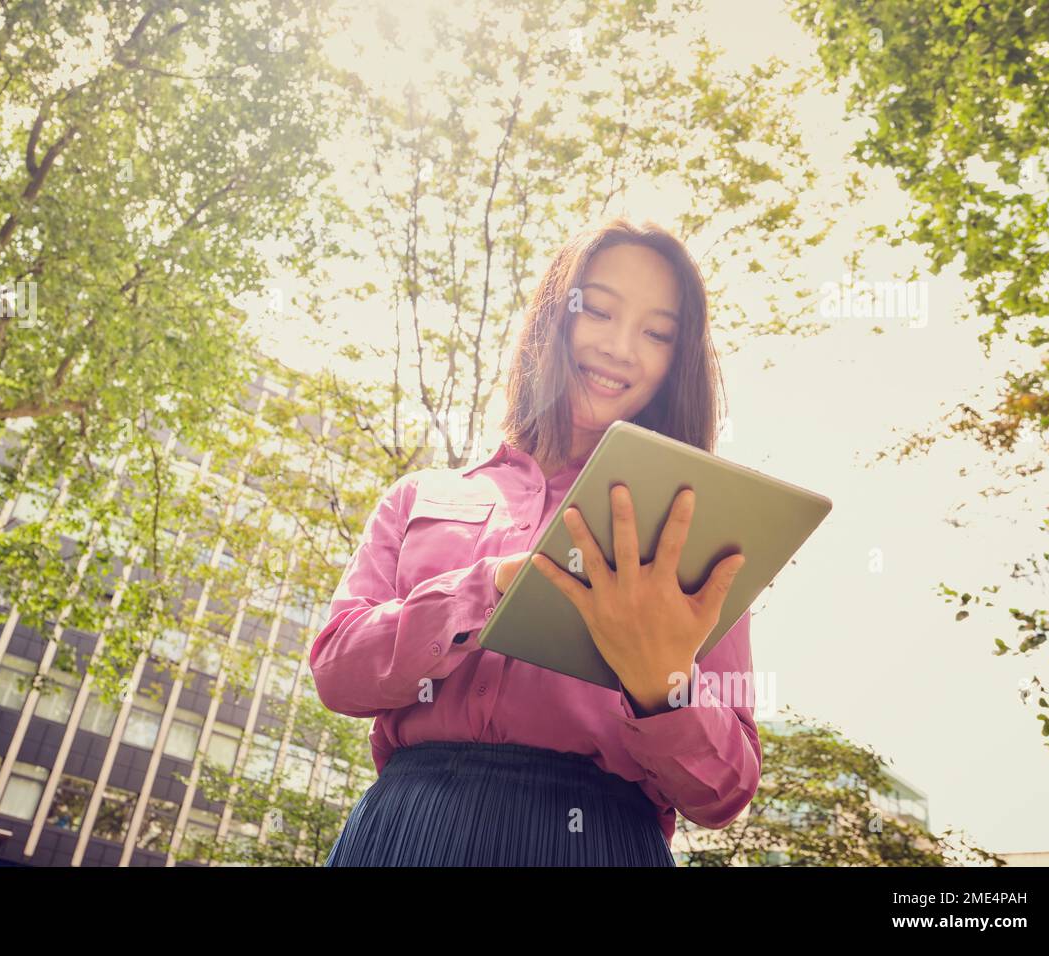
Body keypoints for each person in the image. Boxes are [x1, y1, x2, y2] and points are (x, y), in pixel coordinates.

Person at [310, 216, 760, 867]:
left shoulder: (692, 531)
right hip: (409, 828)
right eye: (599, 312)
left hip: (601, 841)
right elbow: (338, 673)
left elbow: (724, 791)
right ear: (553, 317)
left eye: (657, 332)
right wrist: (487, 587)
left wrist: (662, 682)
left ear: (675, 362)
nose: (621, 348)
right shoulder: (421, 496)